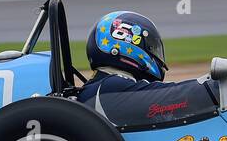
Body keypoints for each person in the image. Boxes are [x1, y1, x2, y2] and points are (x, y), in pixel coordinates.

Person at [78, 11, 216, 128]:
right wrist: (213, 87)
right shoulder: (110, 87)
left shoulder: (99, 87)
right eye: (152, 48)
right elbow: (172, 97)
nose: (155, 55)